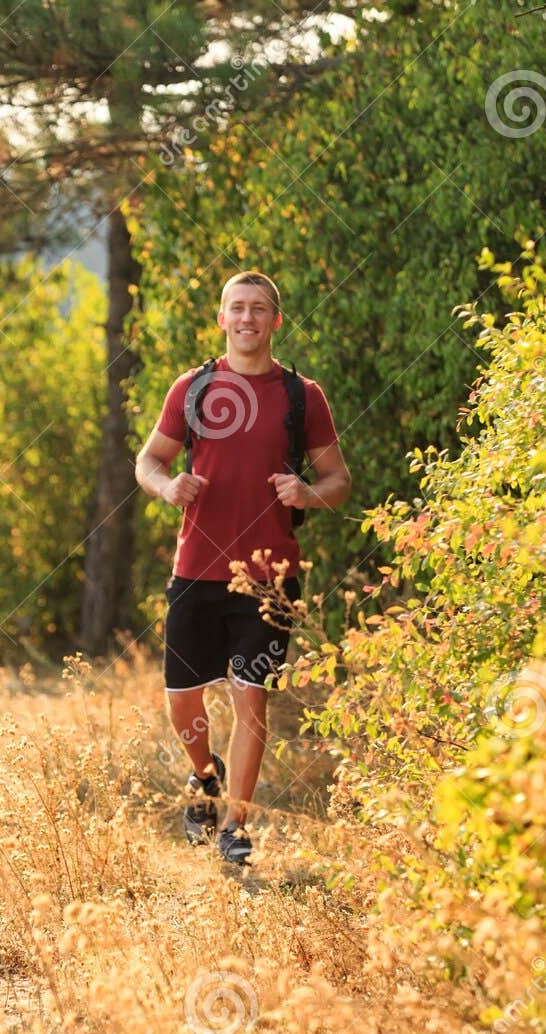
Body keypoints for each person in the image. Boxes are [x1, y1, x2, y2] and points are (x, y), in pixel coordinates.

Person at [135, 270, 350, 864]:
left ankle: (235, 823)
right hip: (196, 569)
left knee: (249, 695)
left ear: (276, 321)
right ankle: (205, 777)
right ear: (222, 319)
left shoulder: (303, 395)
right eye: (238, 308)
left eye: (259, 309)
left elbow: (338, 480)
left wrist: (308, 494)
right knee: (182, 700)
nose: (248, 319)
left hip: (271, 577)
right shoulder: (193, 388)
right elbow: (149, 461)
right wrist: (165, 485)